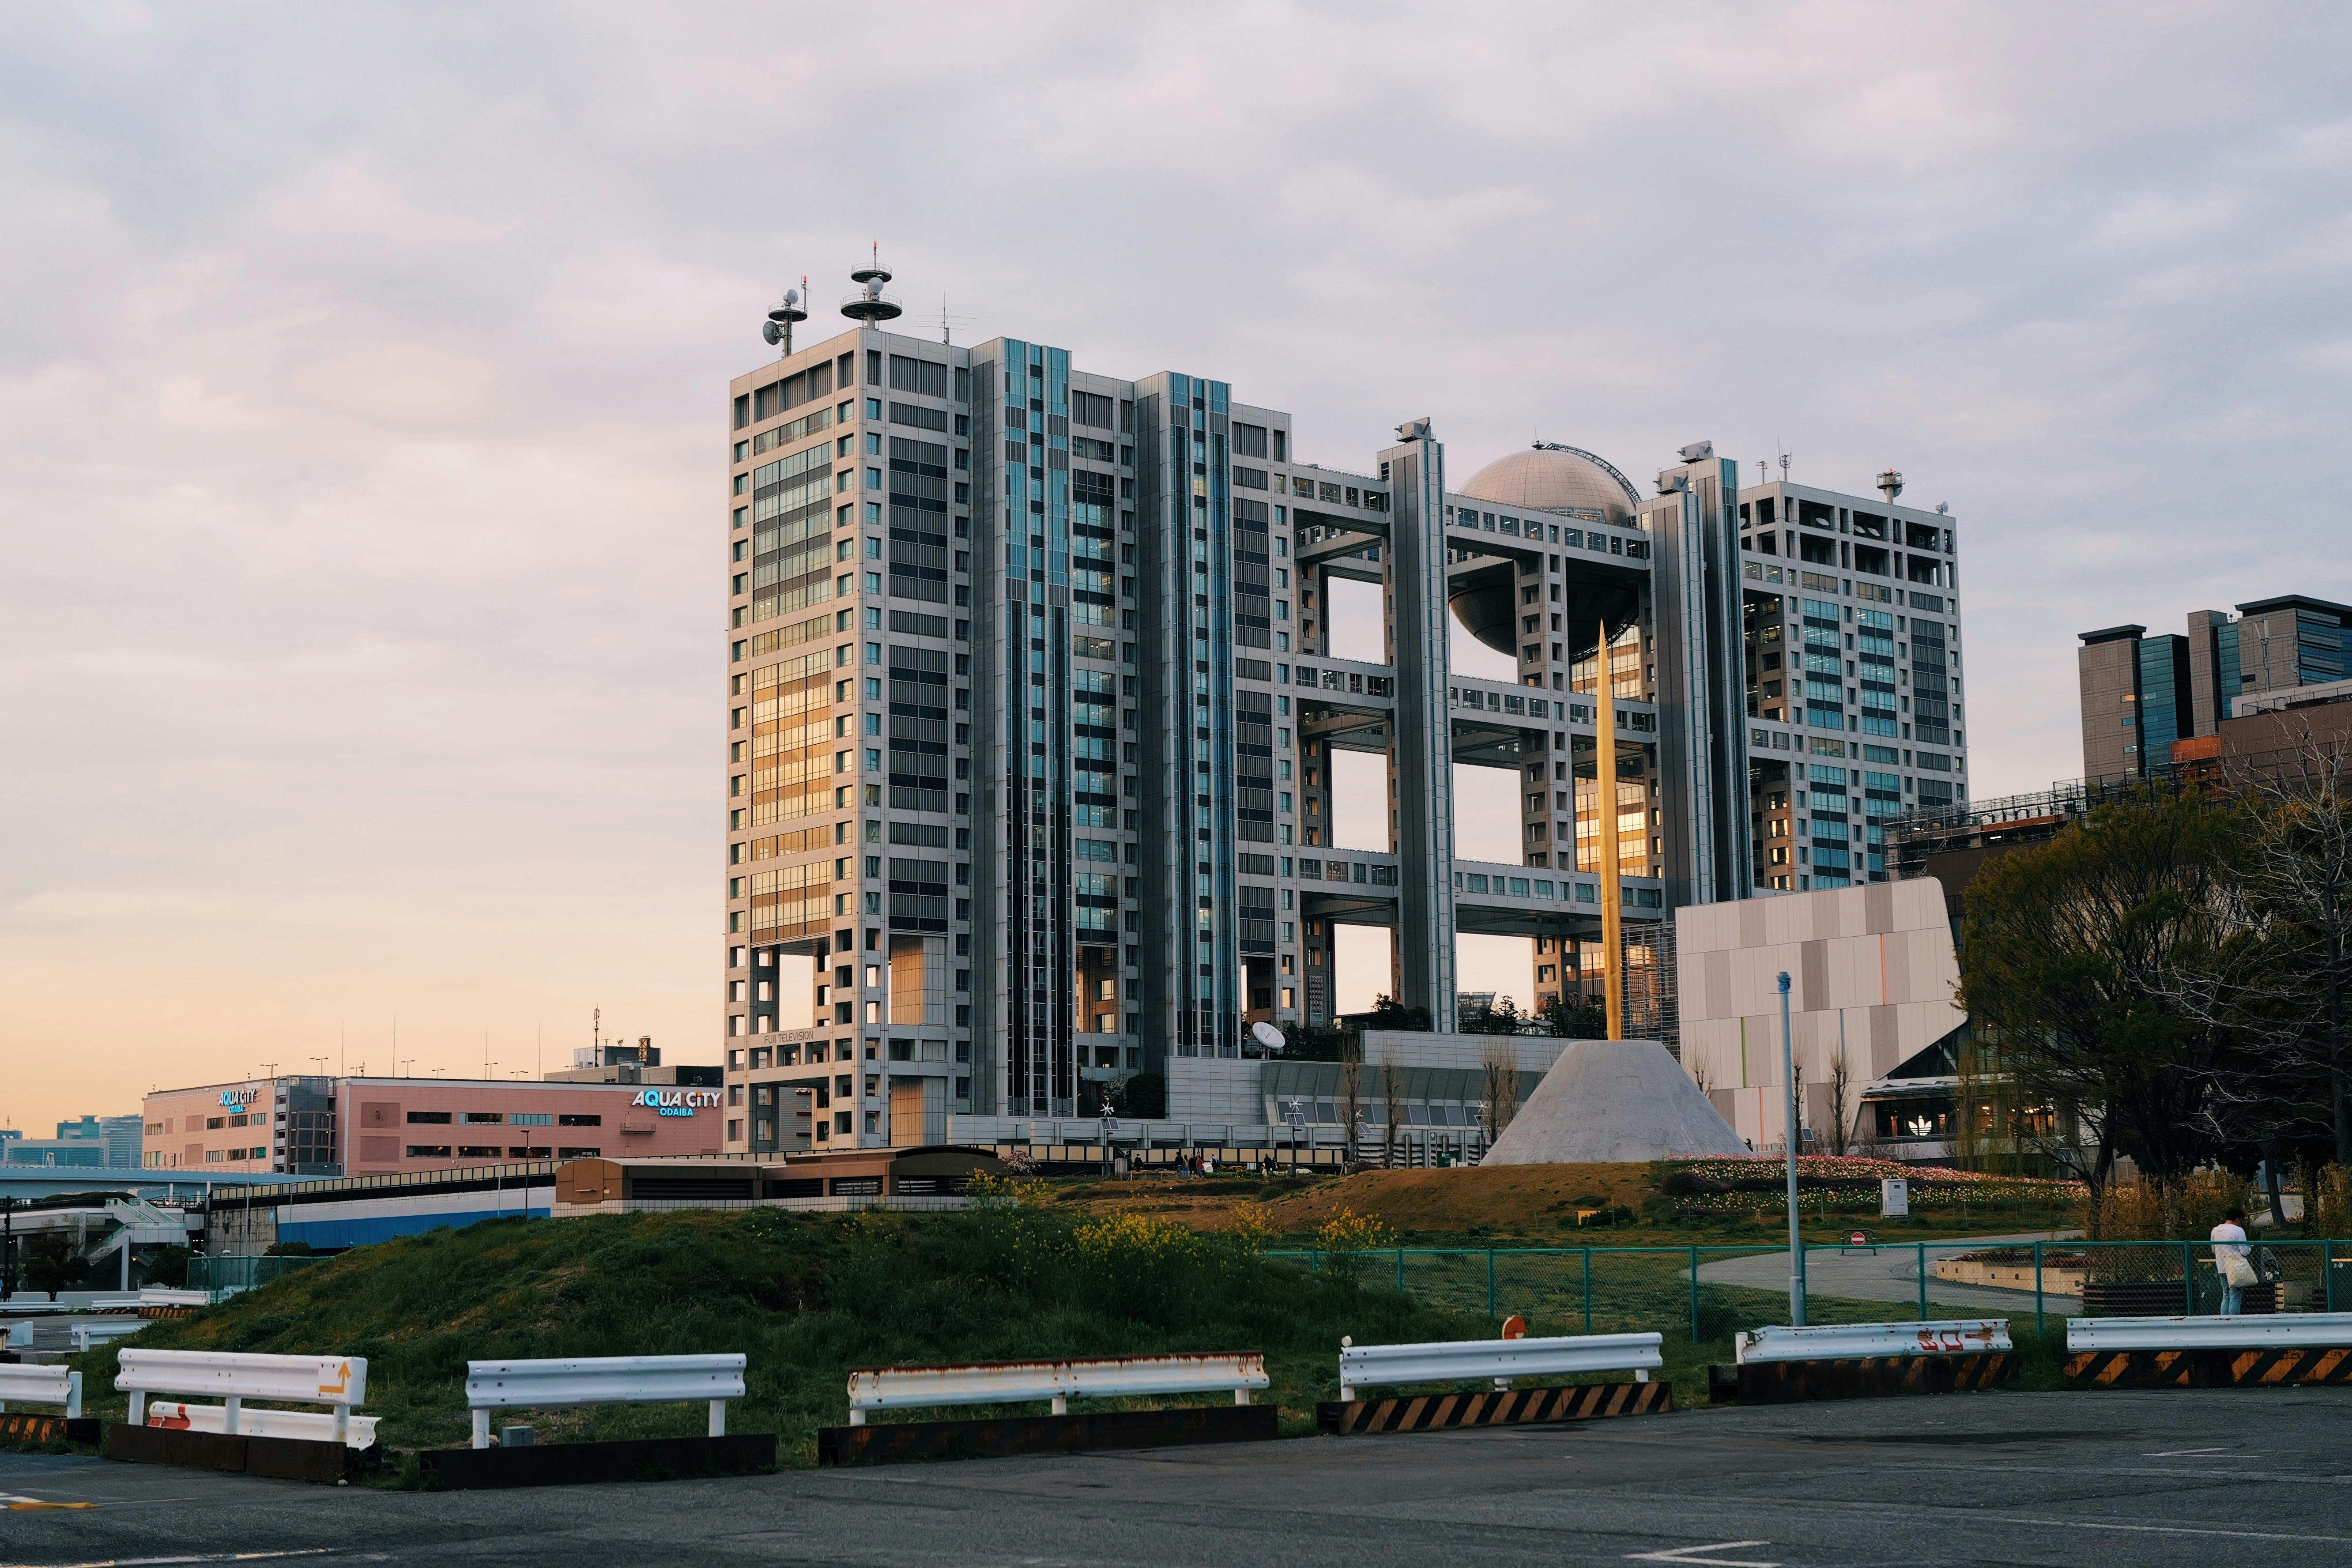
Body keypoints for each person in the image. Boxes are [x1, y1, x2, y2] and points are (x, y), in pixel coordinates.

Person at [2211, 1206, 2253, 1315]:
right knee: (2236, 1296)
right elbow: (2245, 1251)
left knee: (2226, 1295)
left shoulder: (2216, 1230)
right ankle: (2234, 1321)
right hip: (2236, 1268)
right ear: (2238, 1219)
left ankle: (2224, 1320)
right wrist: (2250, 1247)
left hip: (2222, 1267)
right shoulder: (2238, 1231)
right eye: (2241, 1221)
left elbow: (2214, 1249)